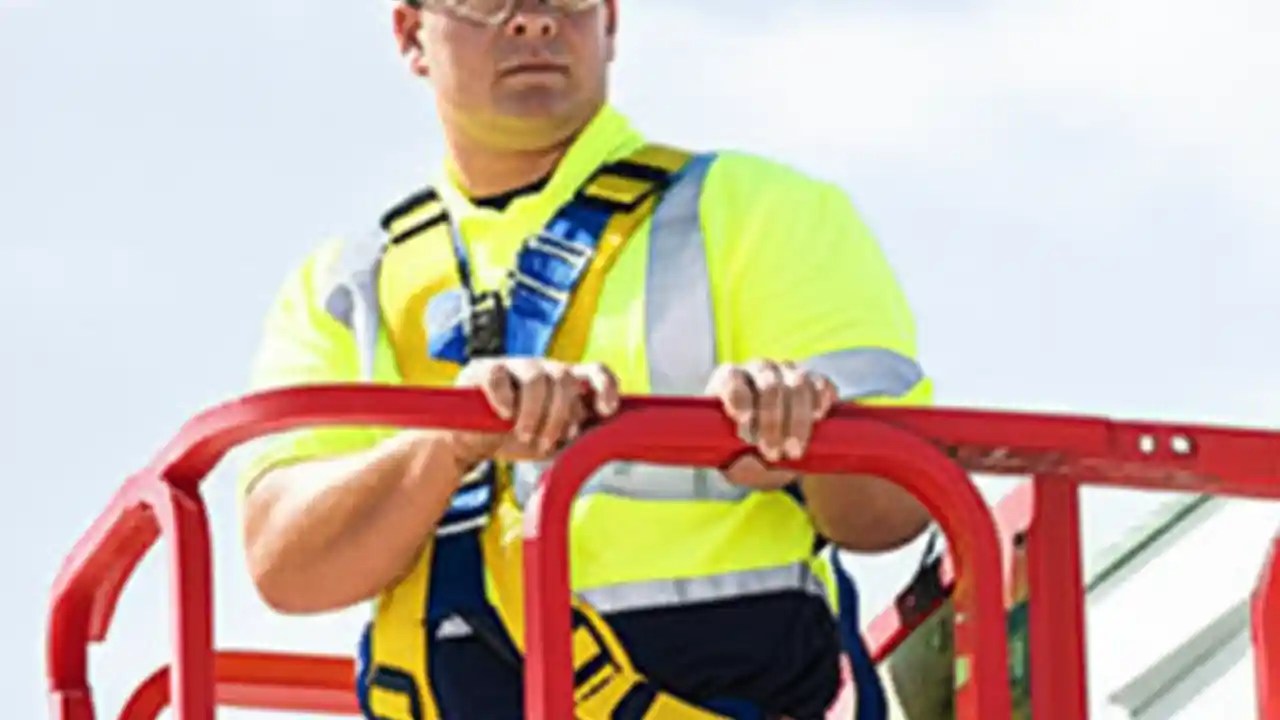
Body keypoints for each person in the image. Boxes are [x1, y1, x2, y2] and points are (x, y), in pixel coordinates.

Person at [238, 0, 934, 717]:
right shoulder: (348, 286)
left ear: (609, 22)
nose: (534, 20)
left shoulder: (761, 210)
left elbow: (900, 503)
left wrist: (803, 434)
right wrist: (445, 445)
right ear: (413, 32)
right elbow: (286, 563)